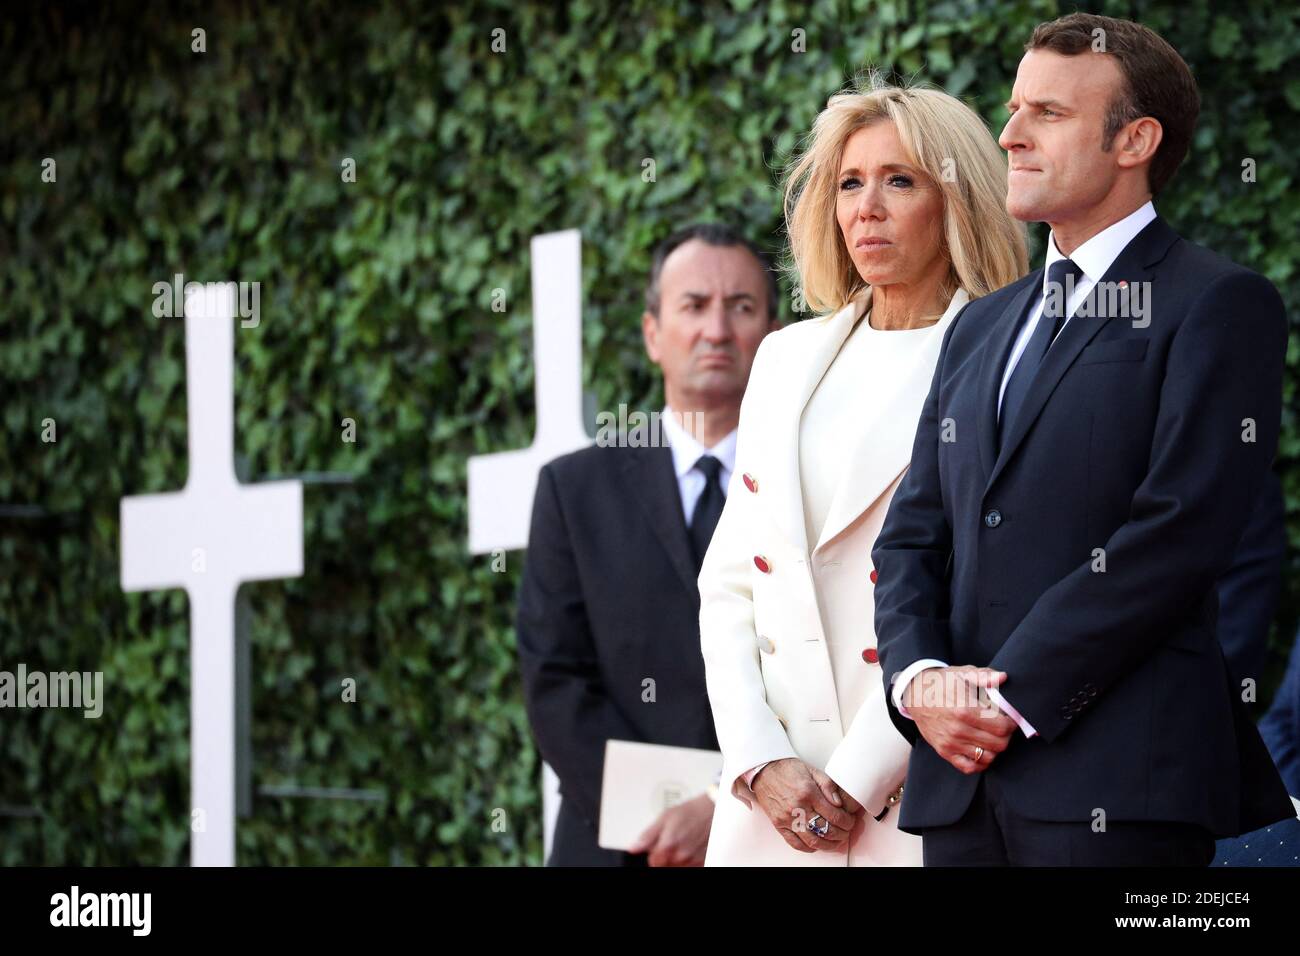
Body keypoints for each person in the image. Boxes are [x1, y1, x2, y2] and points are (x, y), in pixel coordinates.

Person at [872, 12, 1295, 866]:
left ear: (1135, 139)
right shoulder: (980, 327)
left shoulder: (1217, 303)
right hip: (959, 794)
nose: (1009, 135)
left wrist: (1009, 698)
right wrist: (921, 683)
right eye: (1014, 108)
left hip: (1121, 785)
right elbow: (914, 531)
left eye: (1048, 114)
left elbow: (1178, 533)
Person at [698, 77, 1027, 865]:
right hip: (765, 810)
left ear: (957, 200)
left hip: (909, 798)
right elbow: (731, 584)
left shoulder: (1009, 362)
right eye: (849, 183)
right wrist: (759, 763)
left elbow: (981, 600)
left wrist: (852, 780)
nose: (865, 207)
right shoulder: (783, 358)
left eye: (899, 181)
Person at [516, 223, 780, 865]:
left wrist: (721, 804)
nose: (716, 331)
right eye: (693, 306)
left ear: (772, 335)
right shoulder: (574, 491)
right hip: (619, 847)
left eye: (741, 307)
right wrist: (666, 812)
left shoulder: (809, 485)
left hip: (776, 839)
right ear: (652, 333)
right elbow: (554, 680)